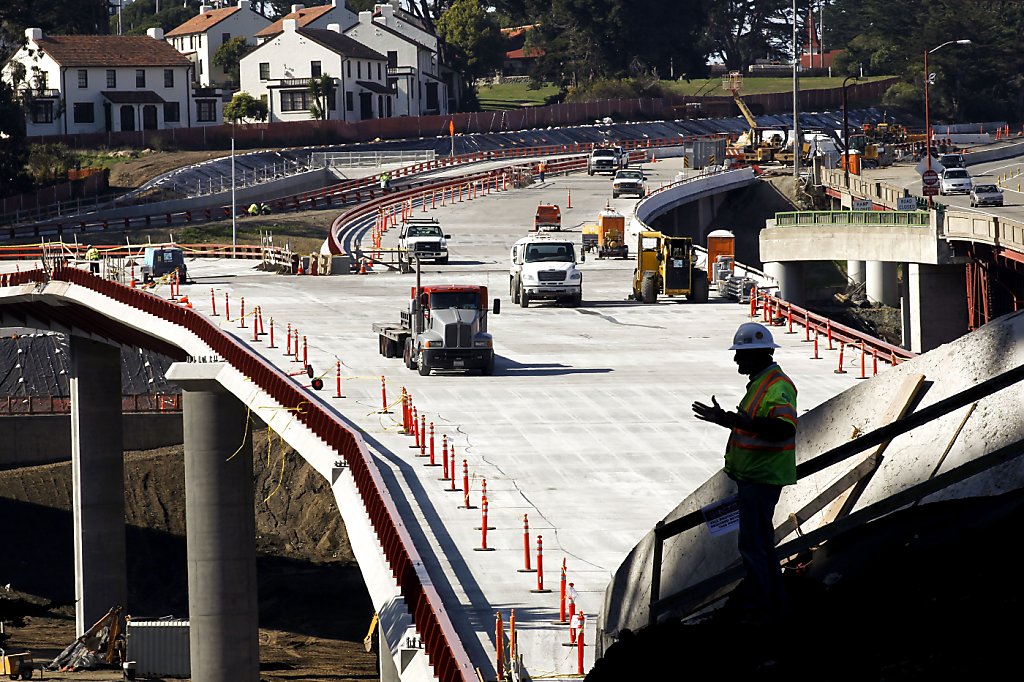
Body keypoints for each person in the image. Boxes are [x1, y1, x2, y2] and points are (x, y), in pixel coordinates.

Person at [691, 322, 797, 623]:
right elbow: (752, 425)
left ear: (760, 354)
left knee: (754, 545)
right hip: (754, 478)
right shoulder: (761, 384)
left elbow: (783, 429)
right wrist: (726, 419)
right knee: (759, 544)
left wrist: (732, 419)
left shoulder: (777, 386)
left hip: (762, 478)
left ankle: (763, 607)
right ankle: (771, 604)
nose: (737, 359)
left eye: (742, 353)